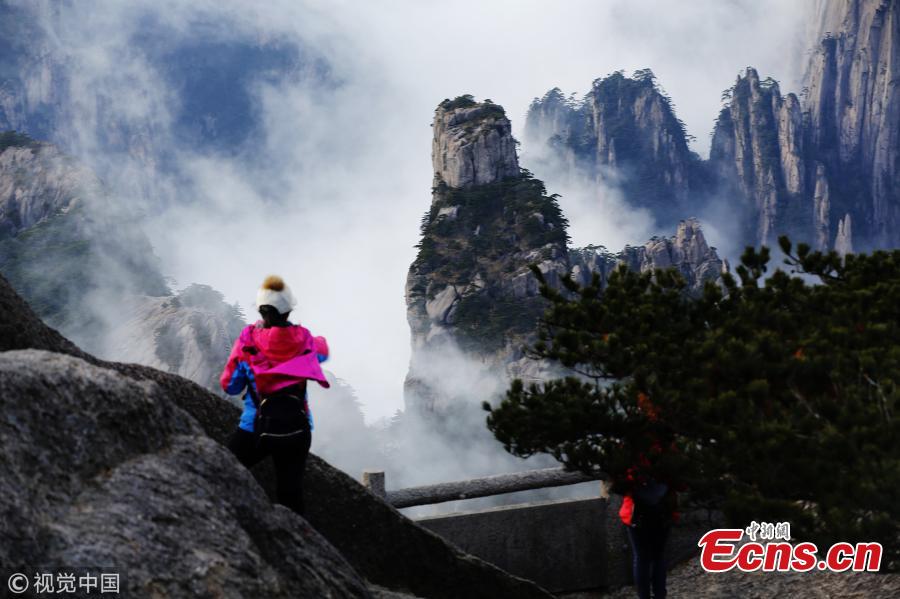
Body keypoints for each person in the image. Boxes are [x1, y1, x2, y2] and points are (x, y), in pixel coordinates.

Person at [219, 275, 330, 516]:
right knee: (291, 494)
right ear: (289, 311)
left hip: (255, 429)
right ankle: (297, 545)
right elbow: (322, 351)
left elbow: (230, 385)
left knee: (222, 472)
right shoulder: (305, 341)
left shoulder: (248, 343)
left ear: (261, 311)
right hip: (298, 428)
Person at [616, 393, 680, 599]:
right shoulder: (667, 439)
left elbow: (621, 473)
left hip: (636, 509)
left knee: (642, 557)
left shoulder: (631, 438)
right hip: (664, 506)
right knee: (659, 556)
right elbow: (678, 473)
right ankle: (660, 595)